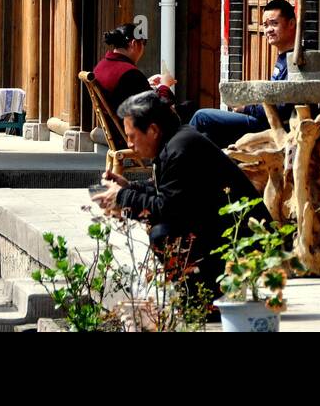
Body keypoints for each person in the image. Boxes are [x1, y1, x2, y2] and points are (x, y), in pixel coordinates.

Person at [92, 91, 265, 299]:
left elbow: (167, 209)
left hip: (241, 242)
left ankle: (204, 299)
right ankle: (198, 297)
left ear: (153, 130)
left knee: (164, 233)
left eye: (131, 136)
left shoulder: (181, 149)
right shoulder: (176, 141)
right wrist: (129, 187)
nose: (129, 144)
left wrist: (122, 197)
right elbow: (171, 191)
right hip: (221, 232)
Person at [188, 0, 296, 148]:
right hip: (263, 118)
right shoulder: (284, 57)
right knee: (209, 136)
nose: (268, 30)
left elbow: (282, 108)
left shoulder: (295, 60)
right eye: (265, 25)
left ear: (291, 24)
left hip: (272, 126)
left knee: (202, 118)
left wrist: (246, 108)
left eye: (274, 24)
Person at [91, 23, 177, 113]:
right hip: (135, 124)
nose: (143, 47)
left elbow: (125, 90)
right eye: (143, 42)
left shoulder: (101, 65)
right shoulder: (129, 73)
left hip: (118, 121)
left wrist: (146, 83)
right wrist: (165, 85)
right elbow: (159, 108)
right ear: (134, 43)